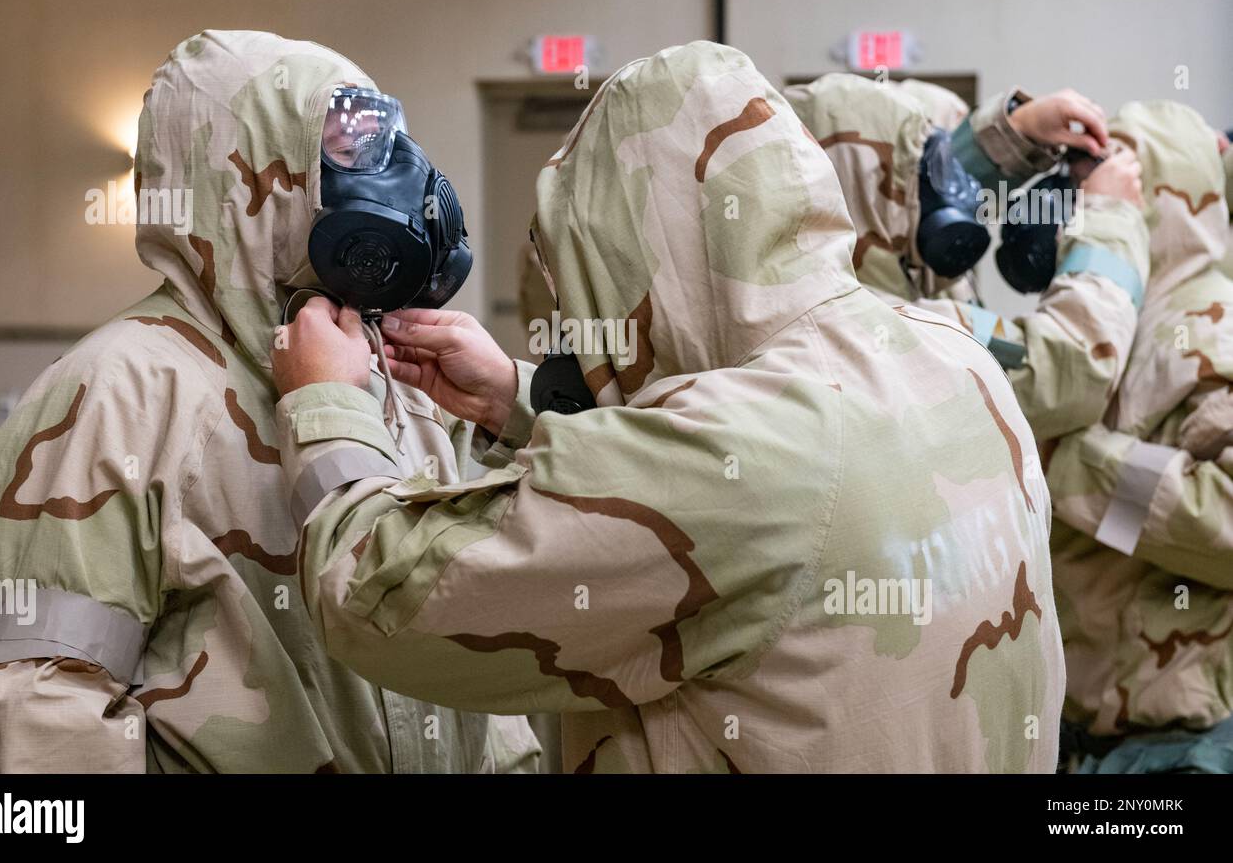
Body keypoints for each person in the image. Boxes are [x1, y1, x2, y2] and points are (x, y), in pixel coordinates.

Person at [269, 41, 1065, 773]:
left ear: (630, 248)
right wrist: (521, 399)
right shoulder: (952, 356)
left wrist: (328, 403)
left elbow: (374, 595)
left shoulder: (744, 453)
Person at [0, 30, 539, 773]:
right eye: (343, 148)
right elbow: (43, 721)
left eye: (379, 143)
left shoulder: (400, 379)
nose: (383, 175)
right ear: (240, 172)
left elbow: (479, 658)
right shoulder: (116, 394)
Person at [786, 75, 1149, 442]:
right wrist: (1110, 216)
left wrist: (1017, 130)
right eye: (937, 164)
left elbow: (895, 197)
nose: (961, 190)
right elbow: (1069, 372)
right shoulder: (885, 328)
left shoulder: (884, 276)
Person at [1046, 101, 1233, 772]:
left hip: (1177, 745)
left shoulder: (1211, 329)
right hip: (1089, 735)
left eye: (1099, 182)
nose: (1075, 203)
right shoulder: (1112, 311)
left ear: (1156, 195)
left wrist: (1074, 470)